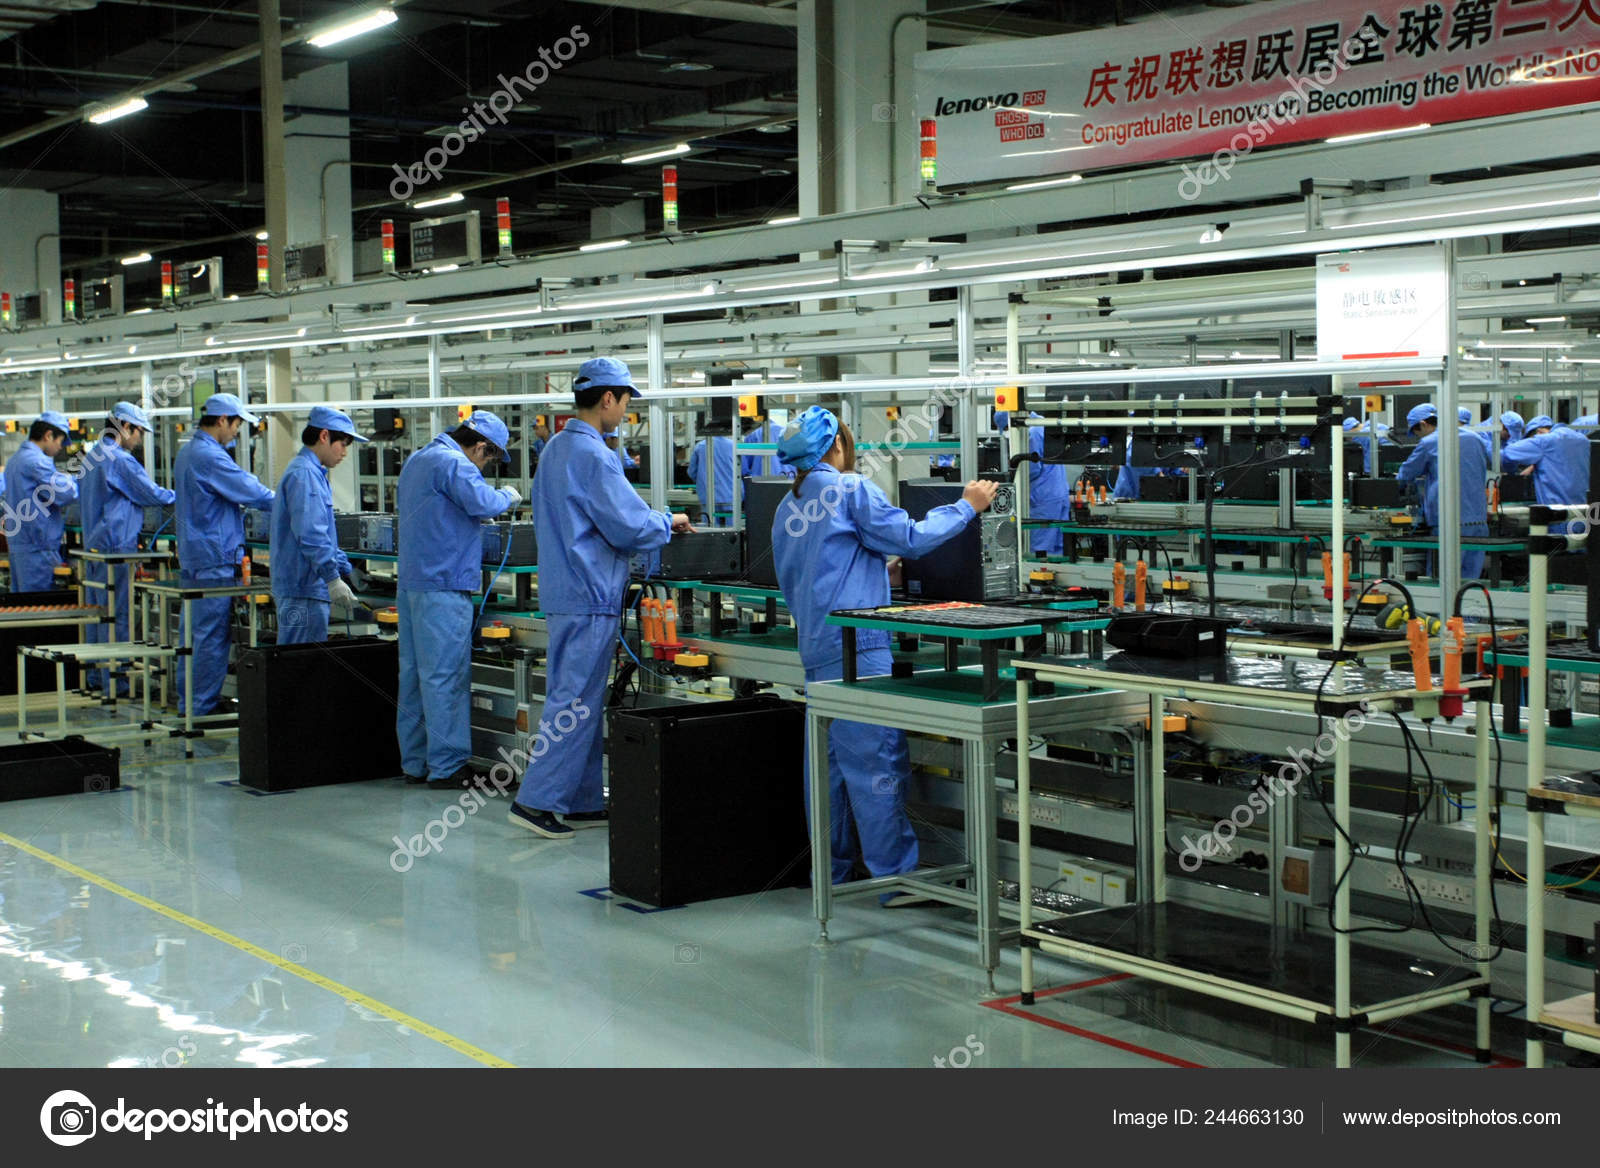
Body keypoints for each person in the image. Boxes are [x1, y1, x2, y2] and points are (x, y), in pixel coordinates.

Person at [770, 405, 998, 905]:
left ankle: (831, 874)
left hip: (817, 647)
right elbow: (912, 538)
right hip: (860, 649)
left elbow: (817, 569)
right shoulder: (849, 489)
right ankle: (895, 879)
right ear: (836, 447)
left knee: (827, 770)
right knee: (876, 765)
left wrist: (877, 573)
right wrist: (968, 505)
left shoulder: (788, 507)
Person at [511, 358, 690, 838]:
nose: (627, 409)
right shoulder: (592, 454)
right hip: (587, 592)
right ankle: (536, 800)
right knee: (573, 701)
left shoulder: (556, 448)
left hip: (571, 590)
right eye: (627, 399)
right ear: (608, 398)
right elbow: (625, 522)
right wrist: (666, 522)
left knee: (583, 699)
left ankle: (581, 798)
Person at [395, 409, 519, 789]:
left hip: (414, 583)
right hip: (444, 585)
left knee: (415, 677)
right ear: (481, 446)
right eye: (490, 458)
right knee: (445, 676)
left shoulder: (419, 458)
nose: (486, 465)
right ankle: (447, 767)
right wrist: (507, 496)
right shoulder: (455, 464)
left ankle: (416, 762)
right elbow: (483, 503)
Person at [173, 393, 275, 715]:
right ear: (221, 420)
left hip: (194, 555)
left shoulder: (187, 451)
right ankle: (201, 706)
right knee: (211, 636)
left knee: (191, 635)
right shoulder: (210, 456)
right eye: (236, 424)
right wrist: (291, 501)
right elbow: (250, 490)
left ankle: (188, 701)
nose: (237, 431)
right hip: (214, 557)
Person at [79, 402, 176, 693]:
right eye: (139, 432)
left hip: (95, 545)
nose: (140, 439)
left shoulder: (93, 454)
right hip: (116, 547)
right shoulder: (120, 460)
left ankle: (97, 676)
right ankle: (116, 681)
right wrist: (185, 494)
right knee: (118, 614)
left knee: (98, 612)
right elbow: (151, 494)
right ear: (125, 427)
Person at [271, 406, 368, 645]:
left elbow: (322, 533)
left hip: (305, 588)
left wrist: (346, 568)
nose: (345, 452)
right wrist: (332, 578)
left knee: (305, 664)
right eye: (343, 443)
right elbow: (311, 535)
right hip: (302, 590)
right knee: (299, 665)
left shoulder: (312, 473)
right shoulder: (305, 475)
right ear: (324, 436)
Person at [1396, 403, 1489, 579]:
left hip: (1448, 523)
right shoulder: (1476, 438)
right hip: (1478, 521)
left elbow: (1405, 475)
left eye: (1416, 432)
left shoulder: (1430, 442)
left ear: (1423, 424)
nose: (1418, 437)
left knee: (1442, 581)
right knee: (1471, 581)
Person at [3, 411, 78, 593]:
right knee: (41, 608)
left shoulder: (14, 460)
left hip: (21, 545)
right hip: (38, 548)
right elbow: (67, 493)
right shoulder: (36, 462)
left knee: (24, 609)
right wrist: (73, 481)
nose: (60, 448)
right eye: (60, 441)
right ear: (48, 436)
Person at [996, 411, 1068, 556]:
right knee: (1058, 547)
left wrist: (1009, 479)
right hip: (1058, 493)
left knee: (1039, 550)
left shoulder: (1031, 433)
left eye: (1005, 429)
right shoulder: (1042, 424)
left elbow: (1030, 469)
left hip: (1042, 500)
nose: (1005, 433)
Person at [1503, 414, 1591, 530]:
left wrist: (1511, 471)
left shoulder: (1543, 441)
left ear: (1539, 432)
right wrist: (1536, 464)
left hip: (1558, 519)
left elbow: (1508, 454)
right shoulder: (1582, 440)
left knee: (1557, 546)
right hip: (1584, 516)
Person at [688, 433, 737, 525]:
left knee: (709, 528)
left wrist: (701, 481)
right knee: (734, 530)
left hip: (708, 496)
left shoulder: (700, 446)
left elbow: (692, 472)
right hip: (731, 495)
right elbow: (743, 470)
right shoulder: (733, 445)